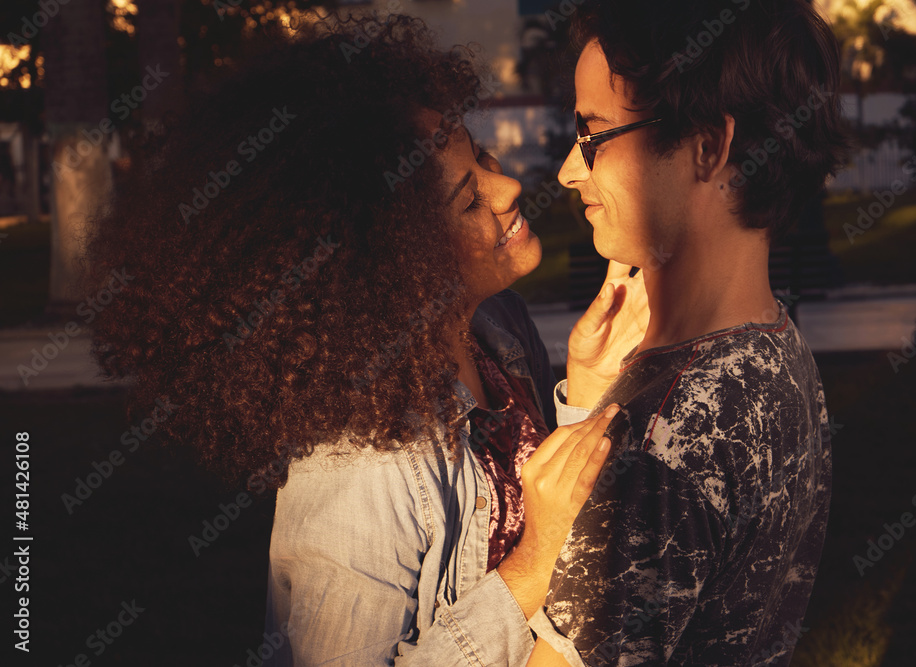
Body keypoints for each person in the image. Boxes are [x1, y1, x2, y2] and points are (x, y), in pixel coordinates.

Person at [83, 14, 636, 666]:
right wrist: (534, 561)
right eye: (468, 200)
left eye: (482, 156)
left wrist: (586, 391)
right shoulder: (358, 466)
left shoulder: (500, 329)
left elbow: (563, 507)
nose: (509, 185)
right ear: (395, 258)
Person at [526, 0, 850, 664]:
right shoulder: (775, 347)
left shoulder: (664, 433)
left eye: (594, 135)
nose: (569, 170)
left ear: (706, 147)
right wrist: (590, 396)